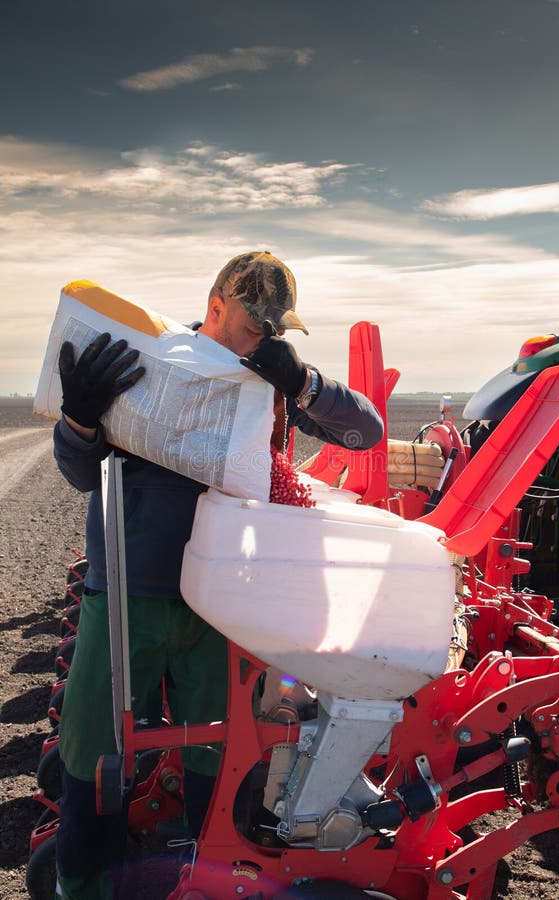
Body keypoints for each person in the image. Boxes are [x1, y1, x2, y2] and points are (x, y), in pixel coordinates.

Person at [52, 250, 384, 899]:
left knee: (221, 750)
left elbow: (365, 432)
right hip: (129, 593)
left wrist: (305, 383)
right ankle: (82, 884)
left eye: (276, 329)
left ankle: (200, 876)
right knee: (97, 745)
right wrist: (81, 417)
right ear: (214, 308)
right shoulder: (150, 364)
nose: (265, 339)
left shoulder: (269, 386)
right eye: (253, 324)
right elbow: (74, 469)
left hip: (224, 601)